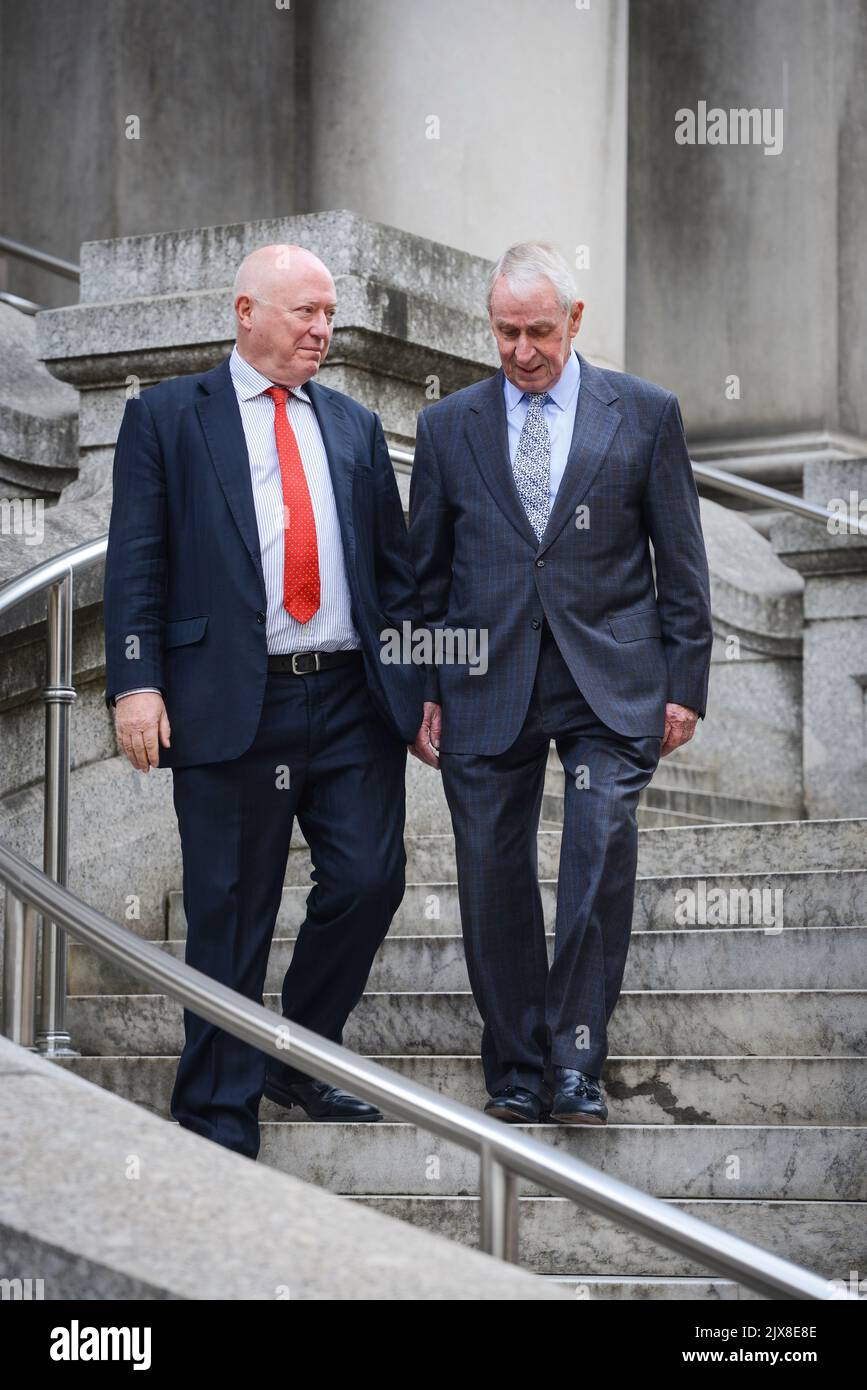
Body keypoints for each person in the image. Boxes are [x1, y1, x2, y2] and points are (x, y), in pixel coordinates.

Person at [104, 244, 426, 1158]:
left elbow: (393, 577)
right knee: (230, 910)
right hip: (225, 703)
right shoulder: (166, 417)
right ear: (246, 312)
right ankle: (215, 1116)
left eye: (329, 314)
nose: (322, 330)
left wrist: (418, 685)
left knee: (370, 879)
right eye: (304, 313)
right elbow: (136, 562)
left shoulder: (356, 427)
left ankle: (300, 1053)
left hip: (350, 697)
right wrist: (136, 679)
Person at [408, 242, 713, 1125]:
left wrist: (683, 681)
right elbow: (425, 576)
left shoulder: (645, 413)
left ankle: (574, 1063)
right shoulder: (447, 425)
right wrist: (423, 682)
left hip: (608, 680)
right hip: (483, 678)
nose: (521, 350)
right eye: (505, 332)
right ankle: (512, 1067)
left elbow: (680, 562)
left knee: (595, 851)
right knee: (489, 871)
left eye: (538, 330)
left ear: (574, 321)